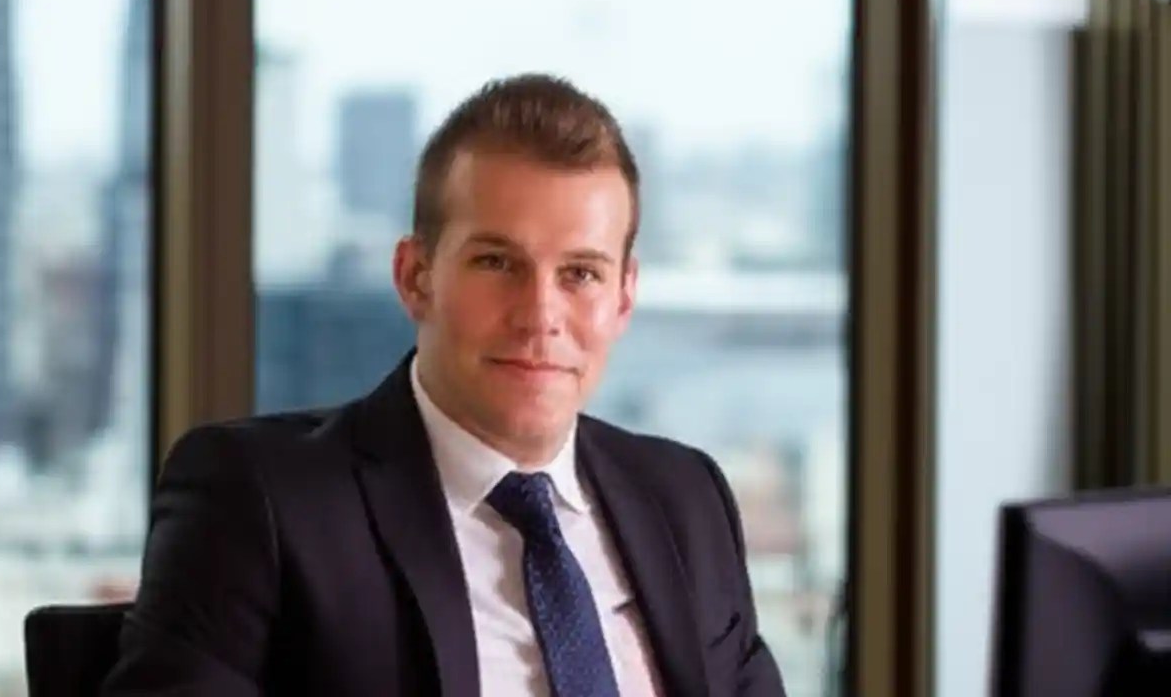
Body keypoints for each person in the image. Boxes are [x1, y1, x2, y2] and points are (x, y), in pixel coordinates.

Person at [104, 73, 786, 696]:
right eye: (498, 262)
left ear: (624, 297)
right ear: (415, 277)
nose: (540, 316)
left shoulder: (684, 500)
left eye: (580, 273)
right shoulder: (261, 500)